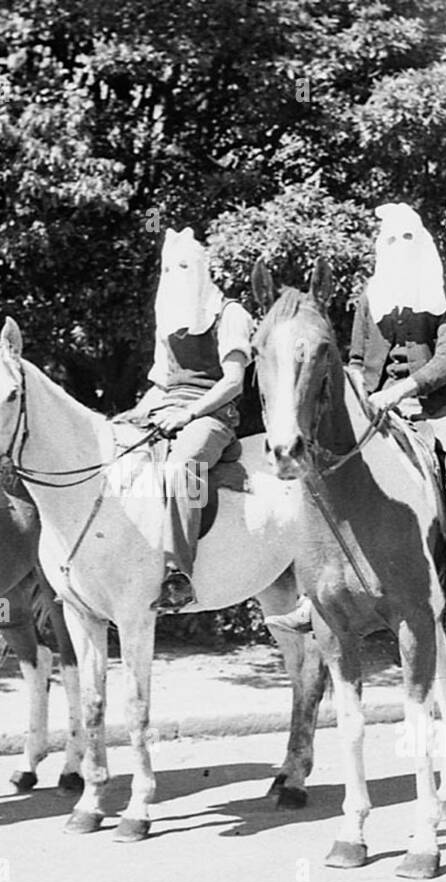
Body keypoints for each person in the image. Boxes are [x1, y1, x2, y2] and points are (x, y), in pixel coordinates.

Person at [267, 203, 446, 634]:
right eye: (390, 240)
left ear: (423, 241)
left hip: (434, 412)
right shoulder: (371, 297)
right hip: (372, 411)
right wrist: (356, 392)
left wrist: (403, 390)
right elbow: (354, 359)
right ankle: (311, 596)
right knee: (312, 467)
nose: (399, 246)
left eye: (408, 237)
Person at [129, 228, 253, 611]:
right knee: (115, 454)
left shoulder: (229, 314)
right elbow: (161, 383)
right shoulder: (167, 319)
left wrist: (188, 413)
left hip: (212, 414)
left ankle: (178, 572)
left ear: (201, 269)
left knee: (184, 466)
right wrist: (131, 417)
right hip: (168, 407)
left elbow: (233, 381)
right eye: (168, 270)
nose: (175, 277)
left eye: (184, 268)